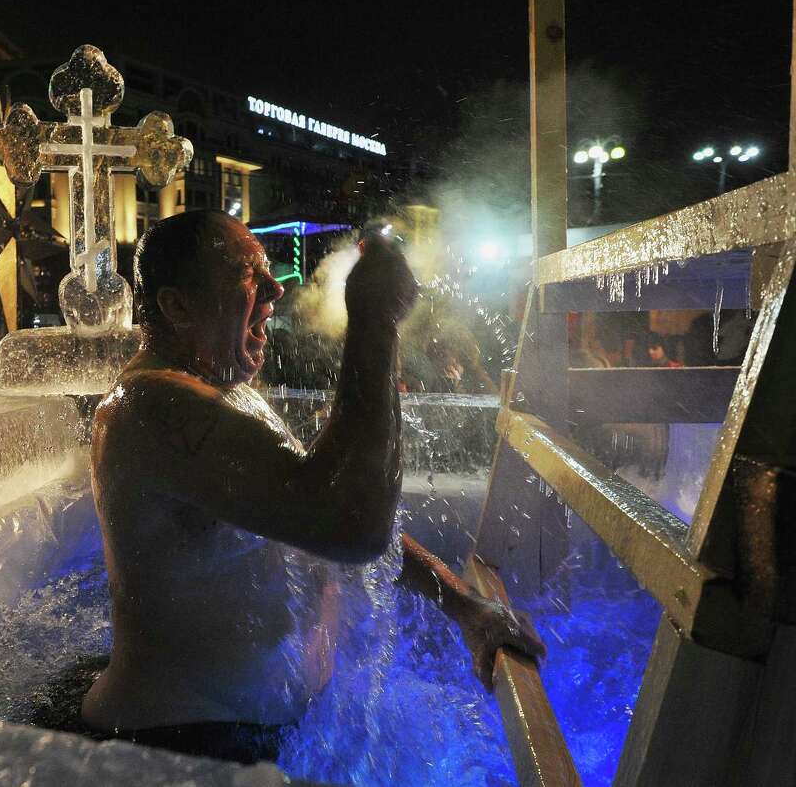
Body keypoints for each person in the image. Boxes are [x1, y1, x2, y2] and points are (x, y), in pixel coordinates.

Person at [81, 211, 543, 763]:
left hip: (246, 738)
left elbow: (313, 518)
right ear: (177, 306)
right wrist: (373, 319)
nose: (277, 286)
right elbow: (349, 523)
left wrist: (465, 606)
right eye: (246, 273)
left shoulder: (223, 393)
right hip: (180, 751)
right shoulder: (149, 409)